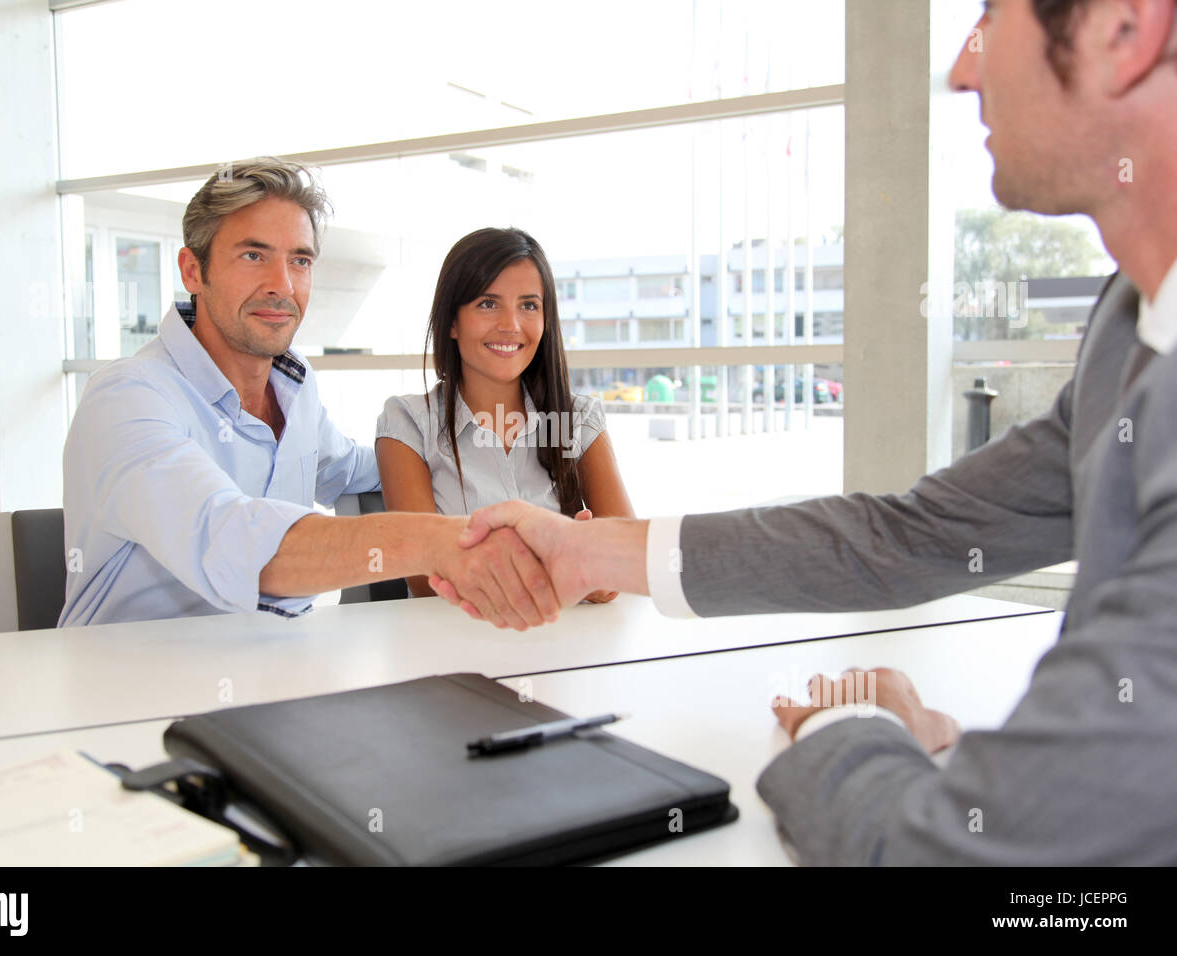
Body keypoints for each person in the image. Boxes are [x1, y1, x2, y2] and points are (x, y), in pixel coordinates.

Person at [431, 0, 1177, 863]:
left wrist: (843, 724)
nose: (964, 69)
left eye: (990, 14)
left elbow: (940, 853)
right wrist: (586, 552)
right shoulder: (1127, 325)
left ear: (1127, 26)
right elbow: (913, 534)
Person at [60, 159, 559, 631]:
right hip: (138, 678)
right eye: (253, 255)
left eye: (299, 260)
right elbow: (233, 540)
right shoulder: (127, 397)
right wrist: (441, 542)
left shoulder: (294, 389)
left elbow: (355, 468)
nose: (282, 285)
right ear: (192, 270)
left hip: (282, 663)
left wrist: (496, 458)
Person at [375, 227, 635, 602]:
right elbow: (423, 576)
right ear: (452, 321)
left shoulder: (578, 419)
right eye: (488, 303)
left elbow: (624, 560)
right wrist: (566, 561)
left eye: (528, 305)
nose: (511, 325)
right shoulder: (408, 423)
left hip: (569, 635)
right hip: (455, 634)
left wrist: (599, 572)